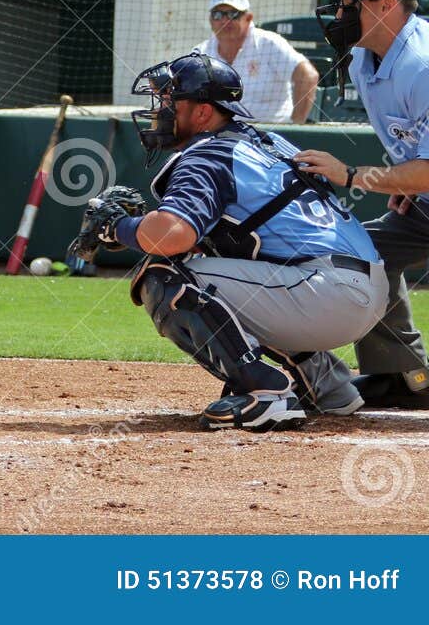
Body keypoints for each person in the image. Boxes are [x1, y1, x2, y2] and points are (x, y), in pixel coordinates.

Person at [71, 52, 385, 430]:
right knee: (223, 269)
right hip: (356, 286)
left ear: (203, 113)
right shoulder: (266, 142)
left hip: (325, 290)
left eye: (169, 100)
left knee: (163, 274)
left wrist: (118, 227)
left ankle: (265, 392)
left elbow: (172, 234)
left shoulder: (207, 154)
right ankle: (329, 387)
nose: (160, 110)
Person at [298, 0, 429, 409]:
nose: (338, 15)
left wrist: (352, 175)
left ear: (387, 4)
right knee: (364, 252)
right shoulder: (363, 60)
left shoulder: (423, 63)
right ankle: (402, 374)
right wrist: (403, 182)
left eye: (347, 3)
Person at [187, 0, 318, 123]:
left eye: (233, 14)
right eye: (217, 15)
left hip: (270, 135)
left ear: (248, 18)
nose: (225, 21)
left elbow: (307, 76)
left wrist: (296, 127)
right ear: (210, 21)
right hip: (220, 138)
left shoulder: (269, 43)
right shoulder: (201, 53)